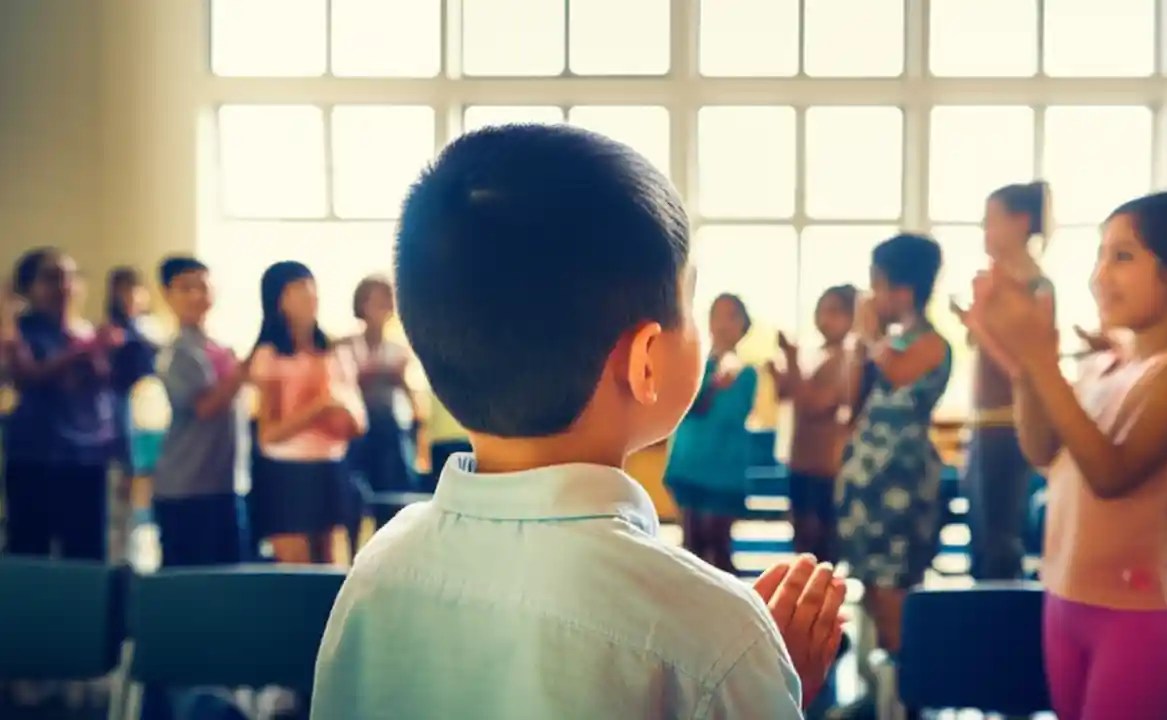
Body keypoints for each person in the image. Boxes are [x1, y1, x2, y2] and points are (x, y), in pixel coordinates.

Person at [312, 124, 847, 719]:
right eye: (689, 301)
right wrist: (766, 679)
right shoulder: (713, 632)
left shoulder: (379, 570)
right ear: (645, 362)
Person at [969, 191, 1167, 720]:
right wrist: (1025, 362)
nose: (1099, 276)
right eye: (1100, 255)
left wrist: (1040, 357)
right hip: (1065, 600)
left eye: (1123, 256)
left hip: (1141, 617)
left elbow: (1111, 473)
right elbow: (1043, 451)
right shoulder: (1106, 364)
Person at [834, 233, 951, 718]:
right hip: (868, 487)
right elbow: (851, 399)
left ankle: (907, 698)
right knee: (873, 590)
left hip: (900, 486)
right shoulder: (886, 342)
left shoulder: (929, 343)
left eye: (878, 284)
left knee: (894, 590)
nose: (872, 295)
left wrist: (868, 333)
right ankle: (880, 693)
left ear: (902, 289)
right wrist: (860, 344)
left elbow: (900, 372)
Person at [2, 248, 152, 560]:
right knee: (31, 554)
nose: (65, 286)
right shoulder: (20, 334)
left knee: (87, 554)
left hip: (89, 459)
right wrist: (85, 351)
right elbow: (27, 376)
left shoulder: (90, 332)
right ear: (28, 288)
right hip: (36, 458)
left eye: (71, 277)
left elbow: (111, 395)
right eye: (52, 278)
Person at [961, 181, 1054, 581]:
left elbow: (1028, 368)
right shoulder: (995, 283)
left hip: (1010, 426)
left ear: (1021, 222)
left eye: (991, 222)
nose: (986, 232)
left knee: (1000, 540)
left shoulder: (1036, 288)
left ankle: (1000, 637)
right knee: (982, 538)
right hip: (984, 424)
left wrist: (978, 322)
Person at [248, 261, 365, 566]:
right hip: (287, 474)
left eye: (311, 287)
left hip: (331, 468)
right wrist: (318, 408)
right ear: (277, 300)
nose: (309, 295)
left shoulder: (336, 353)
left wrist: (340, 414)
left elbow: (357, 421)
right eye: (297, 289)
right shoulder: (270, 356)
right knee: (295, 570)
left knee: (334, 570)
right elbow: (268, 434)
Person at [151, 256, 247, 567]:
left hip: (223, 483)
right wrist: (242, 372)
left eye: (202, 287)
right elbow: (205, 407)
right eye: (185, 288)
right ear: (167, 295)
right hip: (187, 488)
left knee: (227, 577)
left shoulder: (218, 347)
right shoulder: (177, 352)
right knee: (189, 586)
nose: (196, 296)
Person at [664, 292, 757, 574]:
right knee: (692, 547)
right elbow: (682, 406)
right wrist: (713, 382)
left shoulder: (747, 373)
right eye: (717, 314)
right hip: (688, 466)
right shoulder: (694, 367)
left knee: (718, 547)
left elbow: (732, 414)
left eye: (731, 316)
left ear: (743, 325)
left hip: (722, 472)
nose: (723, 323)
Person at [769, 284, 858, 562]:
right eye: (821, 310)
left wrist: (792, 359)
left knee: (818, 541)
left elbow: (815, 403)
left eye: (833, 312)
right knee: (801, 538)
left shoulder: (846, 357)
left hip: (824, 466)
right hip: (802, 460)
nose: (824, 319)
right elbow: (789, 394)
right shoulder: (817, 354)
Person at [342, 275, 418, 532]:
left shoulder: (398, 349)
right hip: (357, 432)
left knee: (392, 495)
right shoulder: (346, 346)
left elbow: (406, 390)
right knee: (354, 495)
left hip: (390, 432)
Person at [103, 266, 158, 563]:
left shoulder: (147, 331)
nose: (130, 297)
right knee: (117, 507)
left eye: (135, 289)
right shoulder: (112, 334)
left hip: (143, 422)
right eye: (123, 290)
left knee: (136, 507)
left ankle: (130, 563)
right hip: (116, 423)